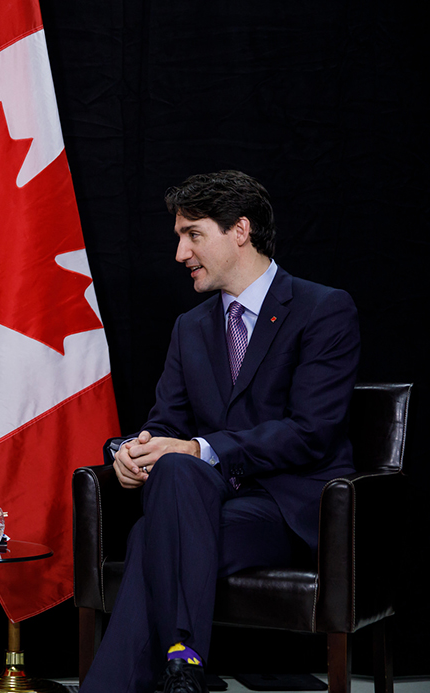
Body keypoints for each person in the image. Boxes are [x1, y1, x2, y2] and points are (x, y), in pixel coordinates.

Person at [80, 171, 360, 693]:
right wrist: (129, 452)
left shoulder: (324, 309)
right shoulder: (191, 327)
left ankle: (133, 678)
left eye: (194, 234)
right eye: (179, 238)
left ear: (240, 230)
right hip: (203, 500)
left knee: (149, 534)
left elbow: (311, 432)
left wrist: (196, 448)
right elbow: (166, 422)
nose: (181, 253)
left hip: (285, 506)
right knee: (176, 475)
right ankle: (183, 664)